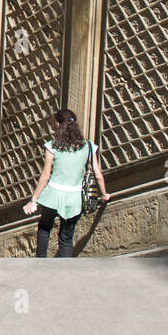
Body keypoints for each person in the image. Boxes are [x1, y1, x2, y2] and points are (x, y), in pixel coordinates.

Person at [24, 109, 110, 257]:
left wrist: (33, 200)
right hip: (74, 198)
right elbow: (98, 174)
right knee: (66, 238)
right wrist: (104, 194)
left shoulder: (52, 145)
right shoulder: (88, 146)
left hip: (53, 195)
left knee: (44, 228)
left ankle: (39, 263)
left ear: (58, 124)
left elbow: (45, 176)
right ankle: (65, 272)